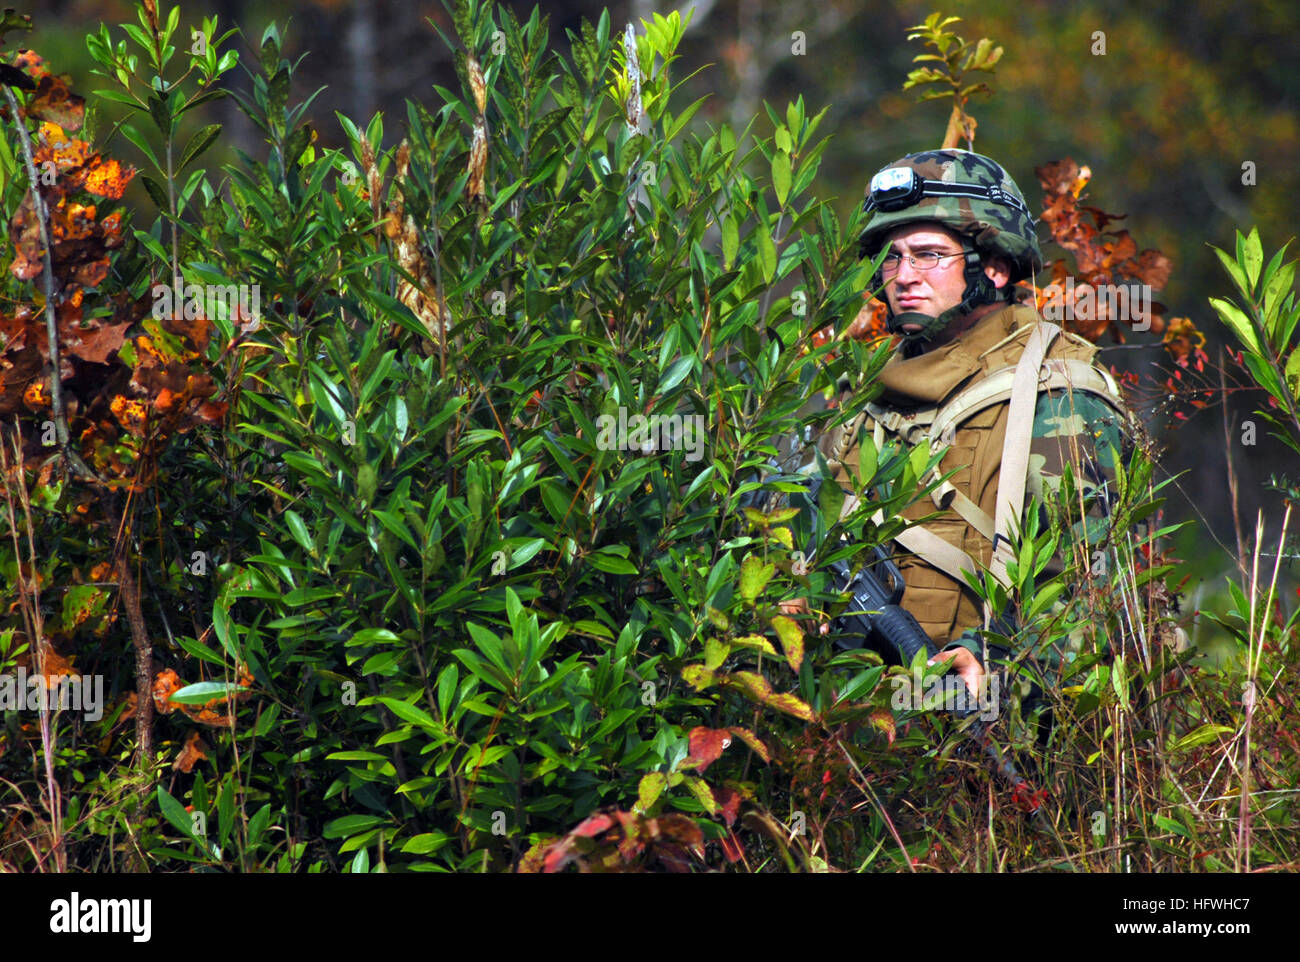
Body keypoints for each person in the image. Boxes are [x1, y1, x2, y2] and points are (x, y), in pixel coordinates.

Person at [805, 148, 1134, 704]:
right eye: (892, 257)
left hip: (986, 742)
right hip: (845, 738)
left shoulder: (1055, 396)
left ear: (995, 266)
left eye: (930, 255)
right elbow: (806, 544)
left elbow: (1087, 598)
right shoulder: (864, 399)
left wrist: (996, 658)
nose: (903, 276)